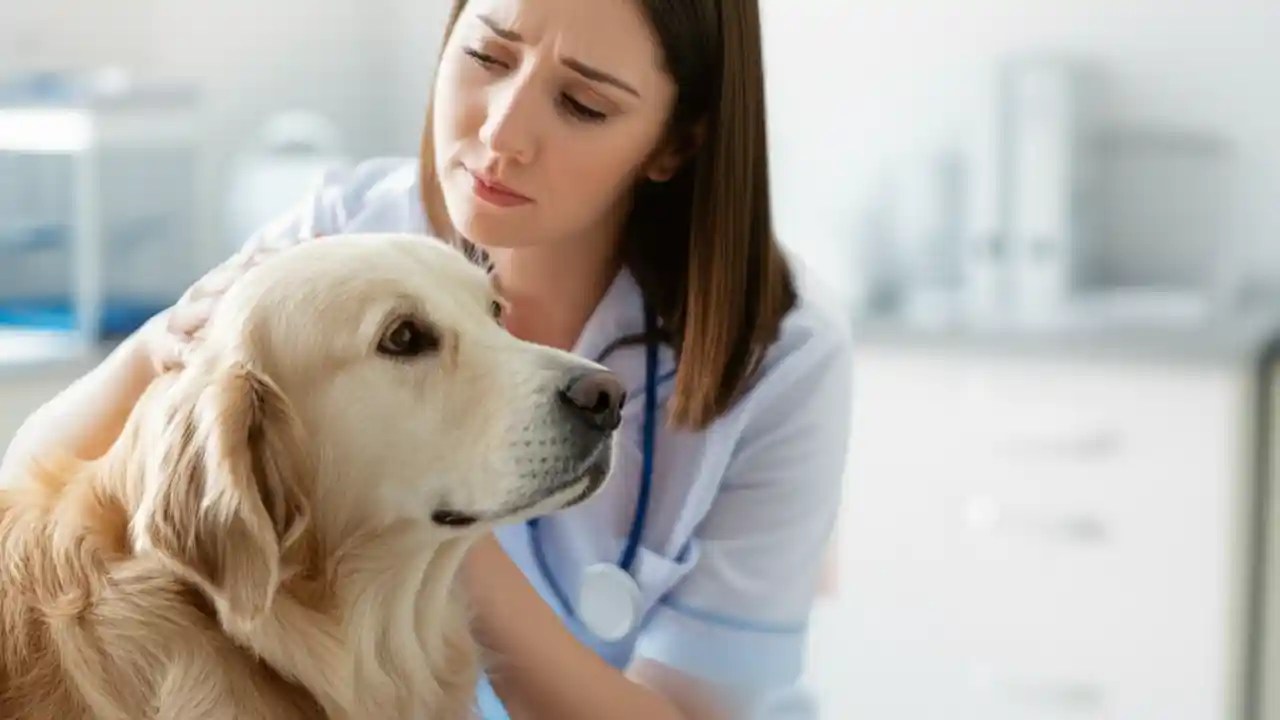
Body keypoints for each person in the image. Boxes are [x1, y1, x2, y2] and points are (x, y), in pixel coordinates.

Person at [0, 0, 854, 717]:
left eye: (583, 105)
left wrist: (437, 506)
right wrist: (154, 354)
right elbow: (41, 495)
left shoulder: (784, 355)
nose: (502, 132)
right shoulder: (335, 239)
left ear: (674, 145)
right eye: (486, 54)